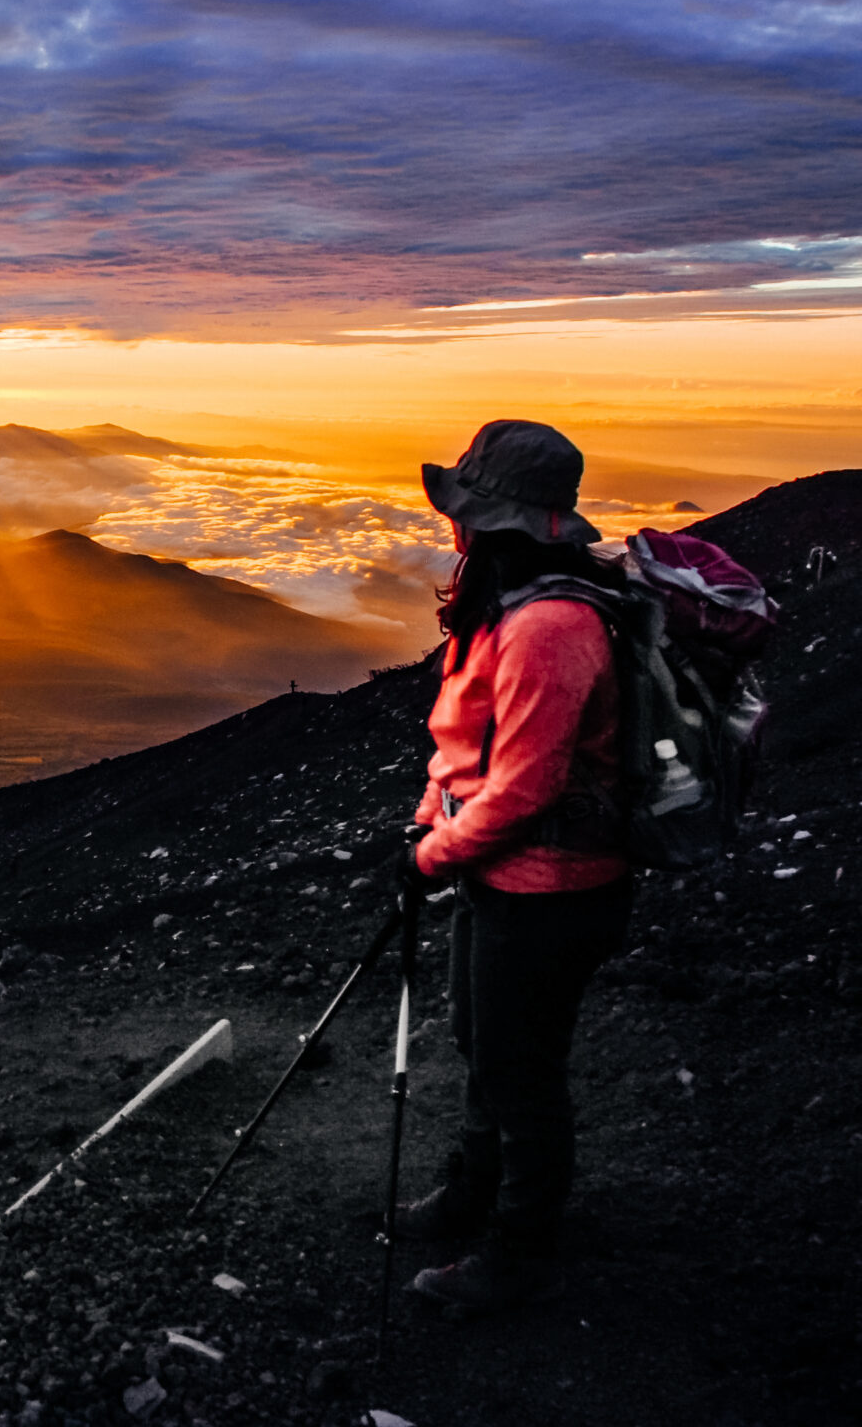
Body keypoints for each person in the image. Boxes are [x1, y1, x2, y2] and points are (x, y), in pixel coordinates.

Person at [395, 420, 633, 1311]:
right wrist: (428, 827)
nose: (454, 524)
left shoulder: (550, 626)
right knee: (485, 1047)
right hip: (500, 879)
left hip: (550, 892)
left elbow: (525, 789)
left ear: (499, 522)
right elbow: (467, 751)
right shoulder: (503, 602)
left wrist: (431, 858)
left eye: (467, 507)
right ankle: (473, 1194)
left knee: (520, 1070)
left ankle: (519, 1252)